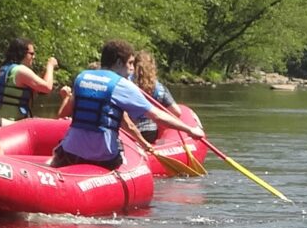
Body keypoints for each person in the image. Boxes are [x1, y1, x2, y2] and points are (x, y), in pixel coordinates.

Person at [52, 41, 205, 170]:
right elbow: (157, 116)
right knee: (124, 157)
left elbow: (67, 111)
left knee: (60, 150)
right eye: (130, 63)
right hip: (103, 156)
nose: (132, 68)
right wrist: (189, 130)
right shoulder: (122, 85)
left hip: (71, 151)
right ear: (119, 62)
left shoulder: (82, 77)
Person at [0, 37, 58, 124]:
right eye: (31, 54)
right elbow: (47, 87)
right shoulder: (20, 71)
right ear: (22, 53)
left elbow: (38, 90)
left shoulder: (3, 69)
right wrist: (50, 65)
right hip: (10, 121)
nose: (34, 57)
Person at [129, 50, 175, 144]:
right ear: (153, 67)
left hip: (129, 133)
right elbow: (176, 111)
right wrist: (161, 124)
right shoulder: (159, 88)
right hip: (150, 132)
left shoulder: (125, 84)